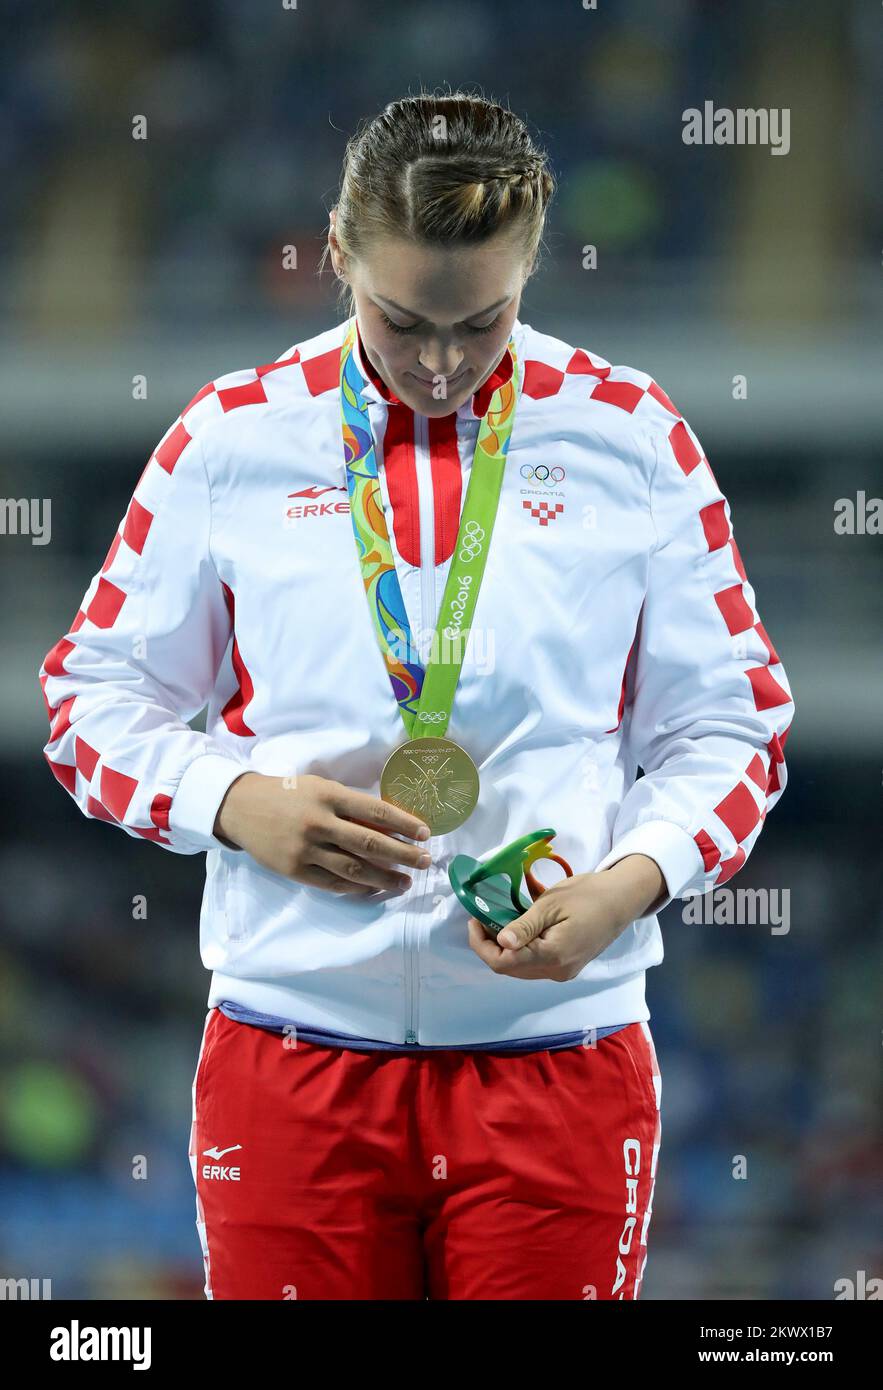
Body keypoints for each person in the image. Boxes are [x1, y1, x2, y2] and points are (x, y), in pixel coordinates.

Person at [37, 90, 794, 1301]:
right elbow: (86, 700)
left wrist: (629, 883)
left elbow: (733, 727)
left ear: (532, 264)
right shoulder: (229, 439)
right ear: (336, 254)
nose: (442, 363)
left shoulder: (632, 436)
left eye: (482, 321)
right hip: (290, 1051)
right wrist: (233, 800)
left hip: (560, 1055)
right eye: (402, 321)